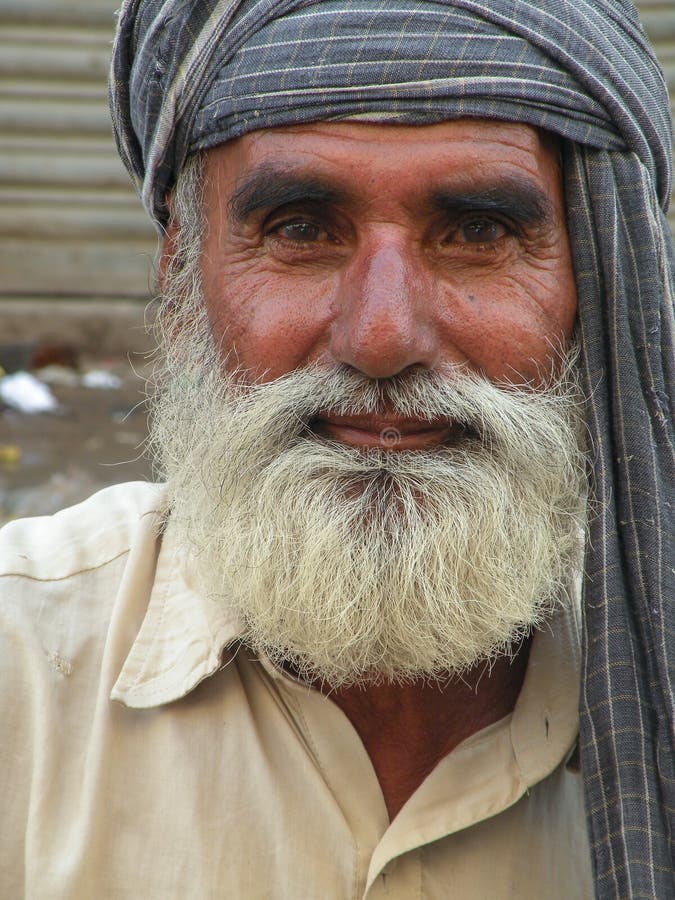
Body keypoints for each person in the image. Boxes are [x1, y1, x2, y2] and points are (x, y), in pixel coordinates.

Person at [1, 0, 673, 897]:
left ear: (601, 281)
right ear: (180, 279)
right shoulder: (21, 668)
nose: (381, 336)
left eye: (477, 232)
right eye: (301, 229)